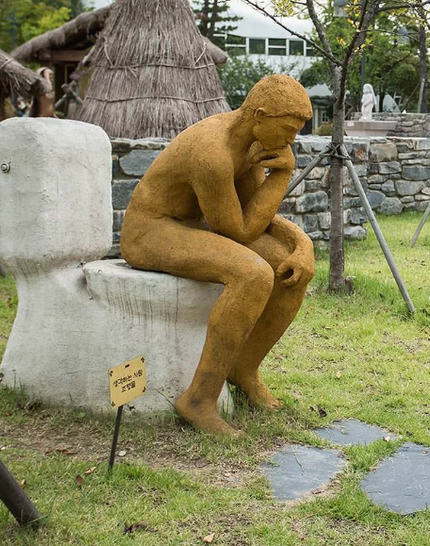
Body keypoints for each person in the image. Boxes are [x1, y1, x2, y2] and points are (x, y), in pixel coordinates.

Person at [120, 75, 315, 435]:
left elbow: (258, 215)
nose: (293, 140)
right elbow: (238, 232)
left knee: (290, 268)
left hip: (194, 226)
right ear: (259, 116)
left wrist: (303, 244)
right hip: (151, 231)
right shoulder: (213, 152)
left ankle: (244, 369)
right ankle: (198, 400)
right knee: (252, 273)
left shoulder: (251, 144)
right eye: (289, 129)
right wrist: (282, 175)